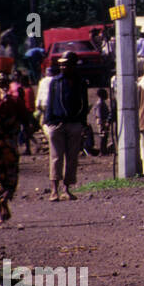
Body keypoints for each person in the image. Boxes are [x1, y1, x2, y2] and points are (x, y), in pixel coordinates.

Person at [42, 52, 89, 201]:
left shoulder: (80, 82)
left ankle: (66, 189)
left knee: (72, 158)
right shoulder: (55, 82)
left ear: (73, 65)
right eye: (61, 64)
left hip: (74, 124)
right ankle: (54, 190)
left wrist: (82, 122)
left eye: (66, 64)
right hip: (57, 124)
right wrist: (49, 122)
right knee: (56, 157)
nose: (63, 67)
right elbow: (50, 102)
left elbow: (84, 103)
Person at [0, 71, 27, 221]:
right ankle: (6, 195)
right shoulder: (15, 101)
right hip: (10, 144)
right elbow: (25, 119)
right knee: (10, 174)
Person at [92, 88, 113, 156]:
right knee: (103, 136)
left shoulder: (101, 103)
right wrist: (104, 122)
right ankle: (102, 151)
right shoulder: (100, 103)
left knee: (105, 136)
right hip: (102, 121)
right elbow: (99, 114)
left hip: (102, 121)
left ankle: (104, 150)